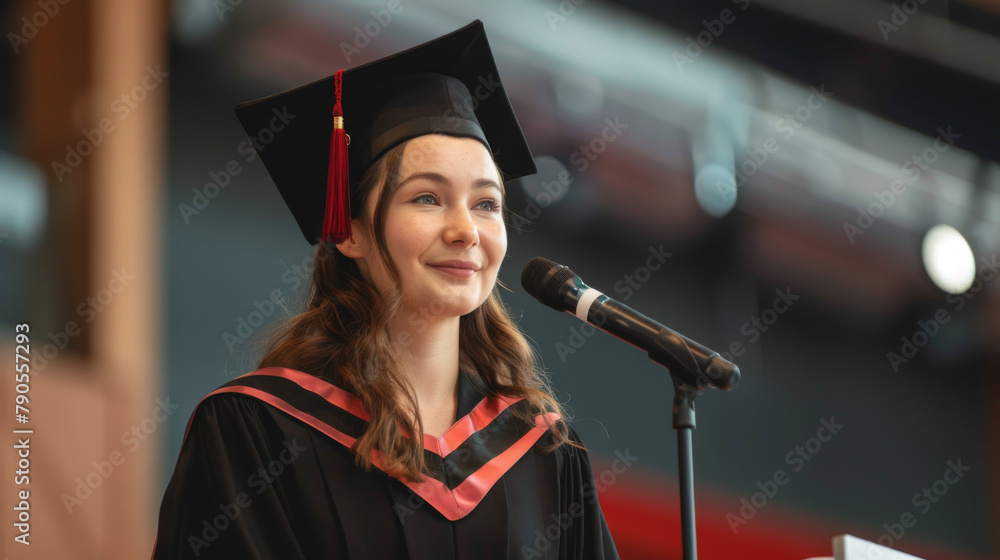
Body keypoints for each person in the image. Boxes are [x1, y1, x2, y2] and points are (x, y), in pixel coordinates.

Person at [151, 20, 620, 559]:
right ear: (349, 229)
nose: (466, 230)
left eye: (487, 204)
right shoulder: (259, 429)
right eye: (426, 198)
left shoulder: (545, 453)